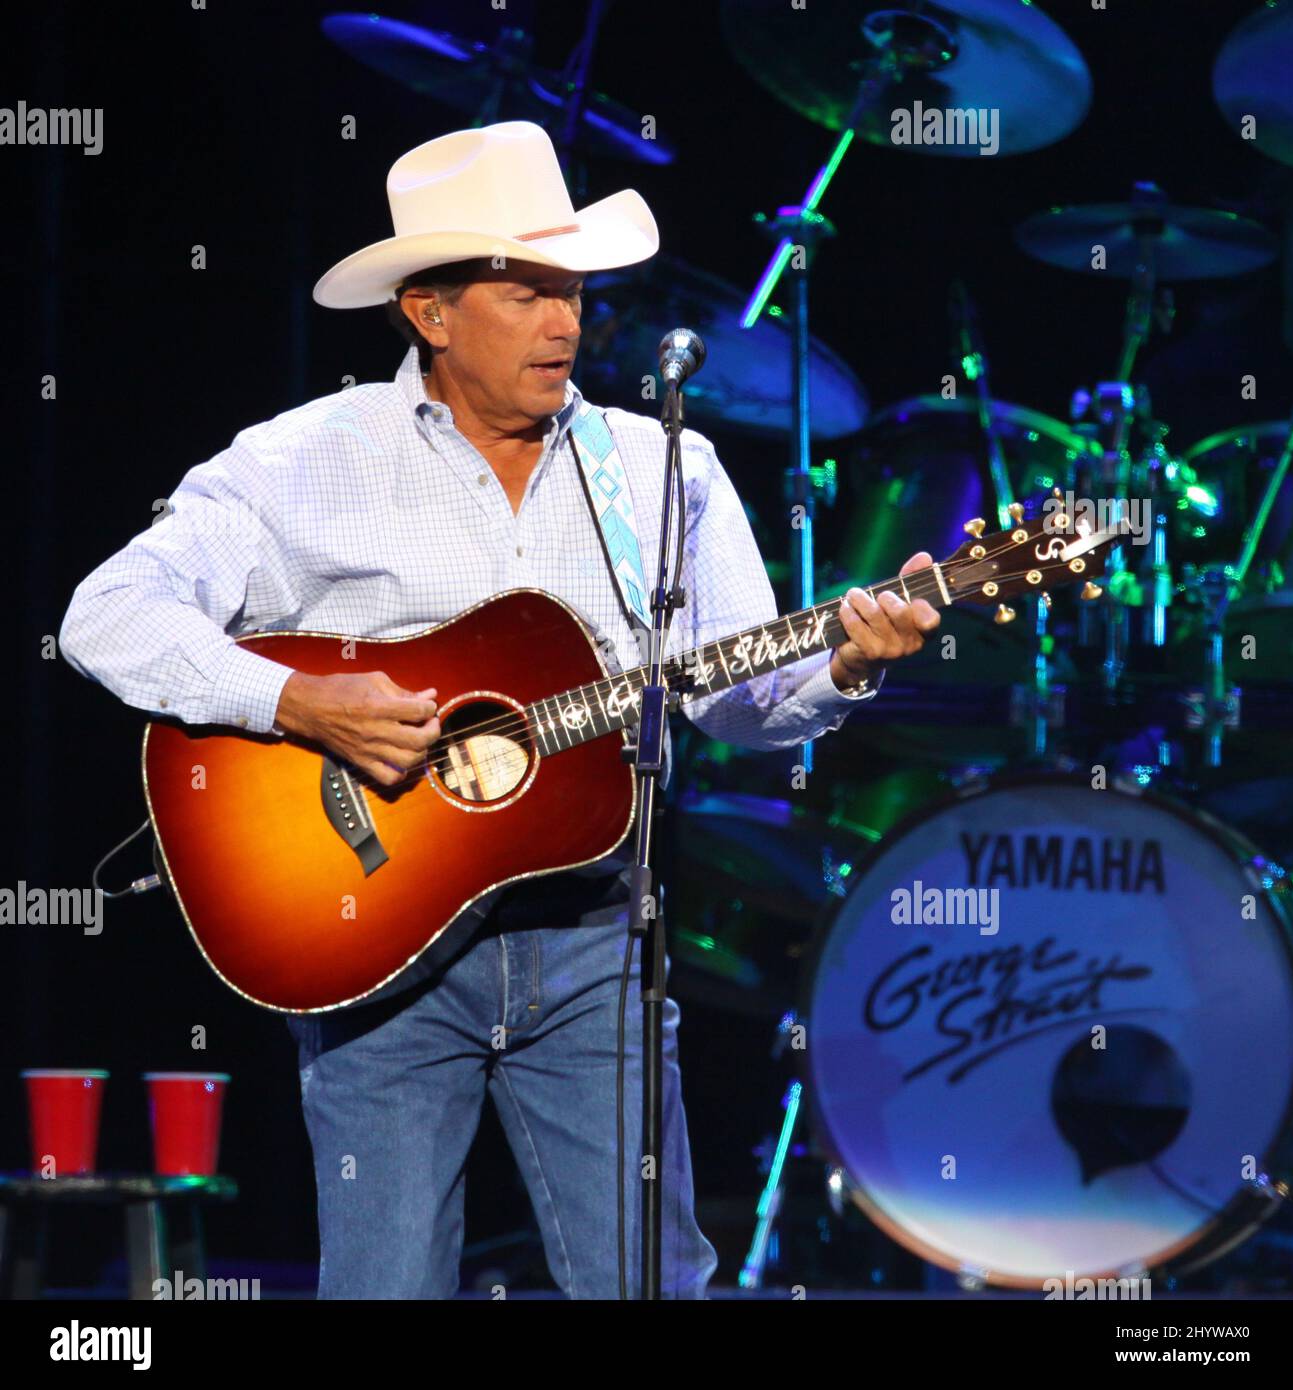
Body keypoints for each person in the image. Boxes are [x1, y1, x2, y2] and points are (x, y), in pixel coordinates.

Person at [59, 121, 941, 1298]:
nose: (565, 323)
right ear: (428, 312)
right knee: (386, 1285)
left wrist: (851, 664)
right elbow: (105, 614)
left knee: (652, 1284)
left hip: (598, 941)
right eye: (523, 293)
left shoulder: (663, 468)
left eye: (571, 291)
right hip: (372, 941)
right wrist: (302, 701)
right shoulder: (305, 460)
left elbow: (734, 705)